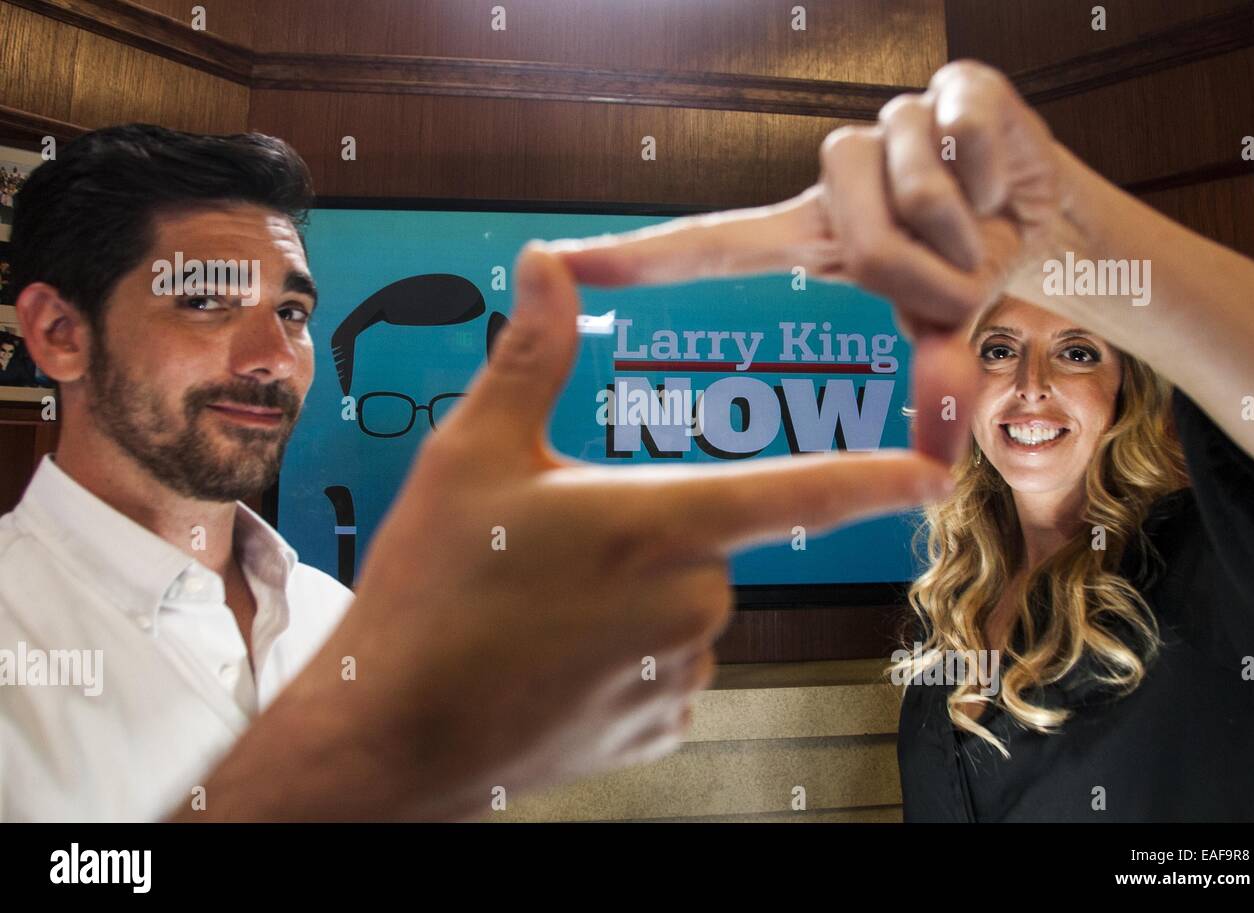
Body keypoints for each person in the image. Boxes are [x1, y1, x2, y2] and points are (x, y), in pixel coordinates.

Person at [0, 125, 951, 822]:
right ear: (57, 332)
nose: (271, 354)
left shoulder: (334, 618)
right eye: (206, 300)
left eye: (292, 311)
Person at [546, 60, 1254, 821]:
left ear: (1125, 393)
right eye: (999, 349)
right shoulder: (953, 603)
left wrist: (1079, 222)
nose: (1030, 382)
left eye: (1078, 352)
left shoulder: (1208, 565)